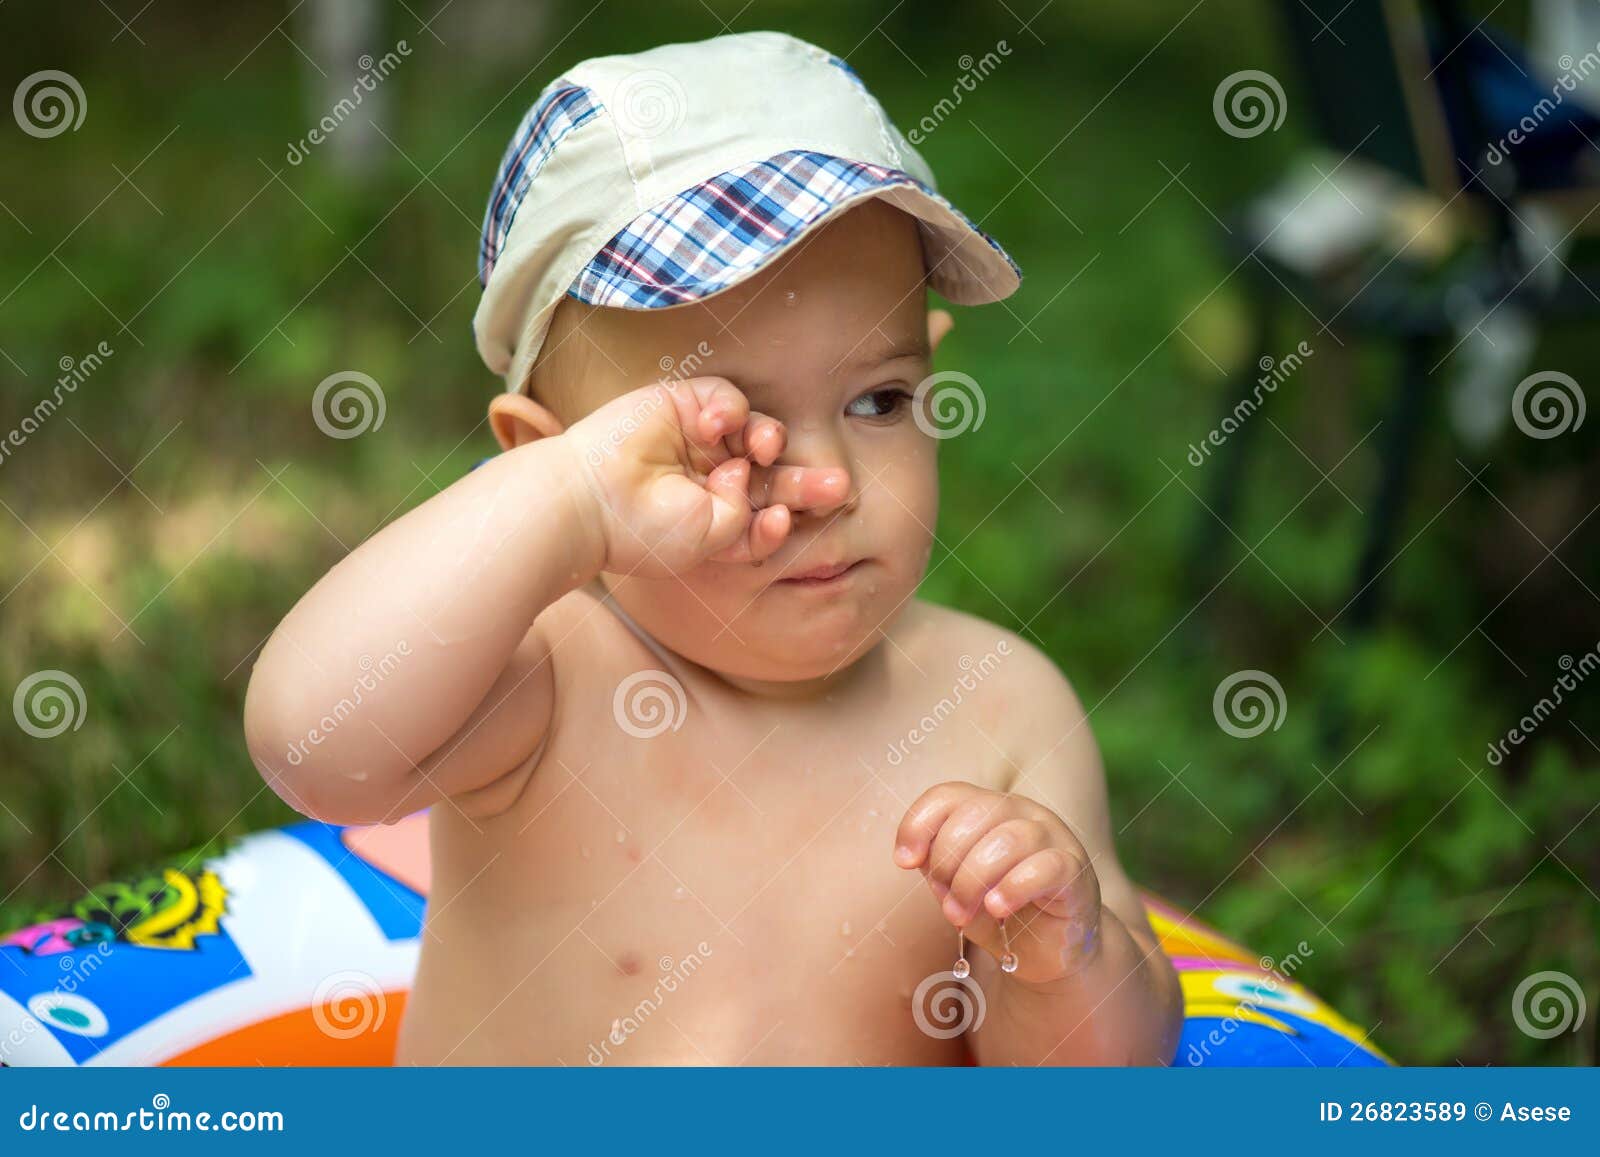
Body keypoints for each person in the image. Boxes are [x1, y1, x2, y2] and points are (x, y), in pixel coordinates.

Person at [244, 30, 1182, 1065]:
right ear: (544, 457)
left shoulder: (1002, 706)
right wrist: (563, 503)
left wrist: (1056, 959)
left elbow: (1105, 1081)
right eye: (727, 432)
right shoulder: (543, 680)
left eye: (878, 398)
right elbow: (311, 746)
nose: (830, 483)